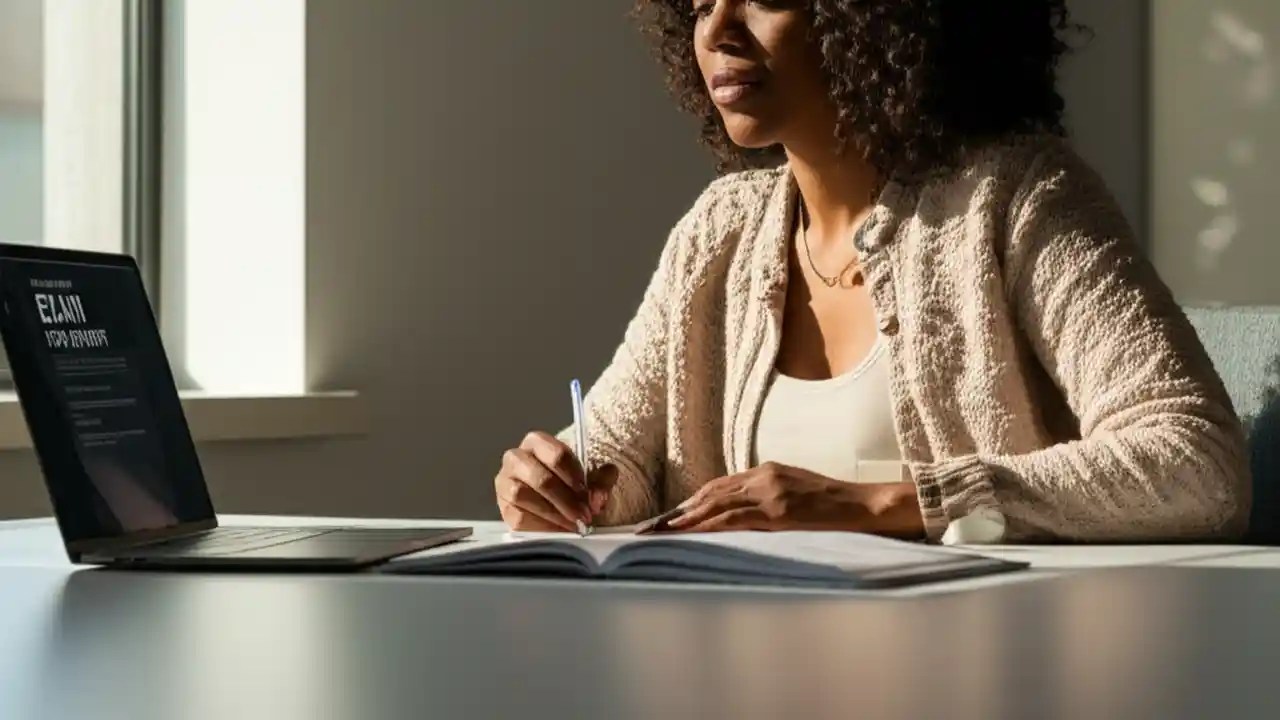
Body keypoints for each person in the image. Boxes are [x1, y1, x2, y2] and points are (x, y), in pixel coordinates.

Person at [493, 0, 1251, 543]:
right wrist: (561, 483)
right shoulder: (719, 232)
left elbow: (1196, 462)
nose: (717, 30)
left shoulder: (1013, 198)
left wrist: (882, 502)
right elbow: (619, 455)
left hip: (985, 667)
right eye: (697, 4)